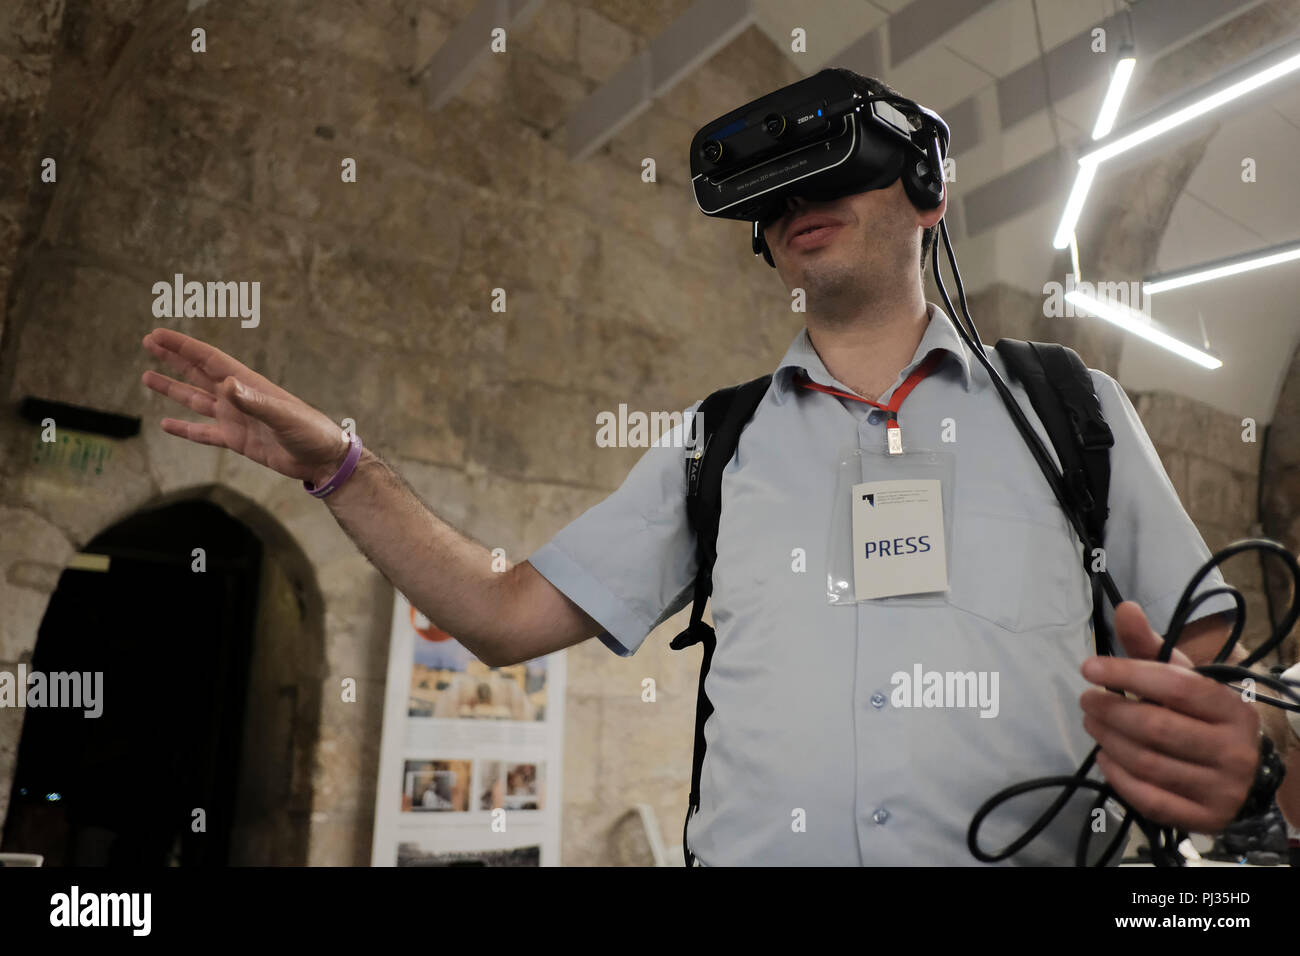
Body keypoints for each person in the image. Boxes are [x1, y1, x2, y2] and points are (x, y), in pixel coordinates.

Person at [141, 70, 1284, 866]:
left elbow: (1207, 669)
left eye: (831, 164)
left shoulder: (1071, 409)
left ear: (927, 185)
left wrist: (1250, 761)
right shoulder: (714, 446)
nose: (797, 201)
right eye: (772, 190)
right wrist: (342, 467)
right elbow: (497, 612)